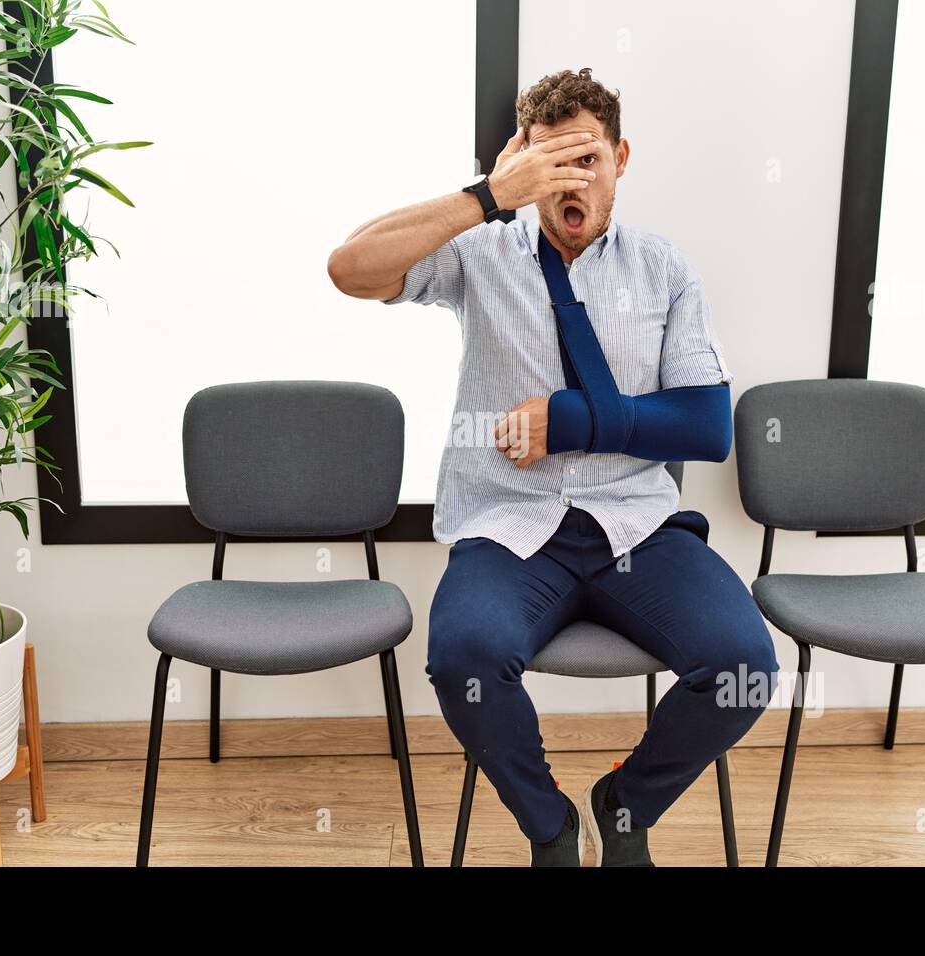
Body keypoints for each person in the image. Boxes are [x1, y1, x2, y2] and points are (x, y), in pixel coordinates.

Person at [328, 68, 778, 866]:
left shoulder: (665, 269)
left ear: (621, 159)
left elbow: (706, 428)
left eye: (587, 159)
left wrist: (569, 421)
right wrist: (489, 195)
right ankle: (550, 825)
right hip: (509, 526)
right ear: (520, 163)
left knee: (744, 665)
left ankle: (625, 806)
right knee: (462, 660)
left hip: (637, 529)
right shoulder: (479, 253)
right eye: (550, 163)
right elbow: (349, 268)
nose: (571, 182)